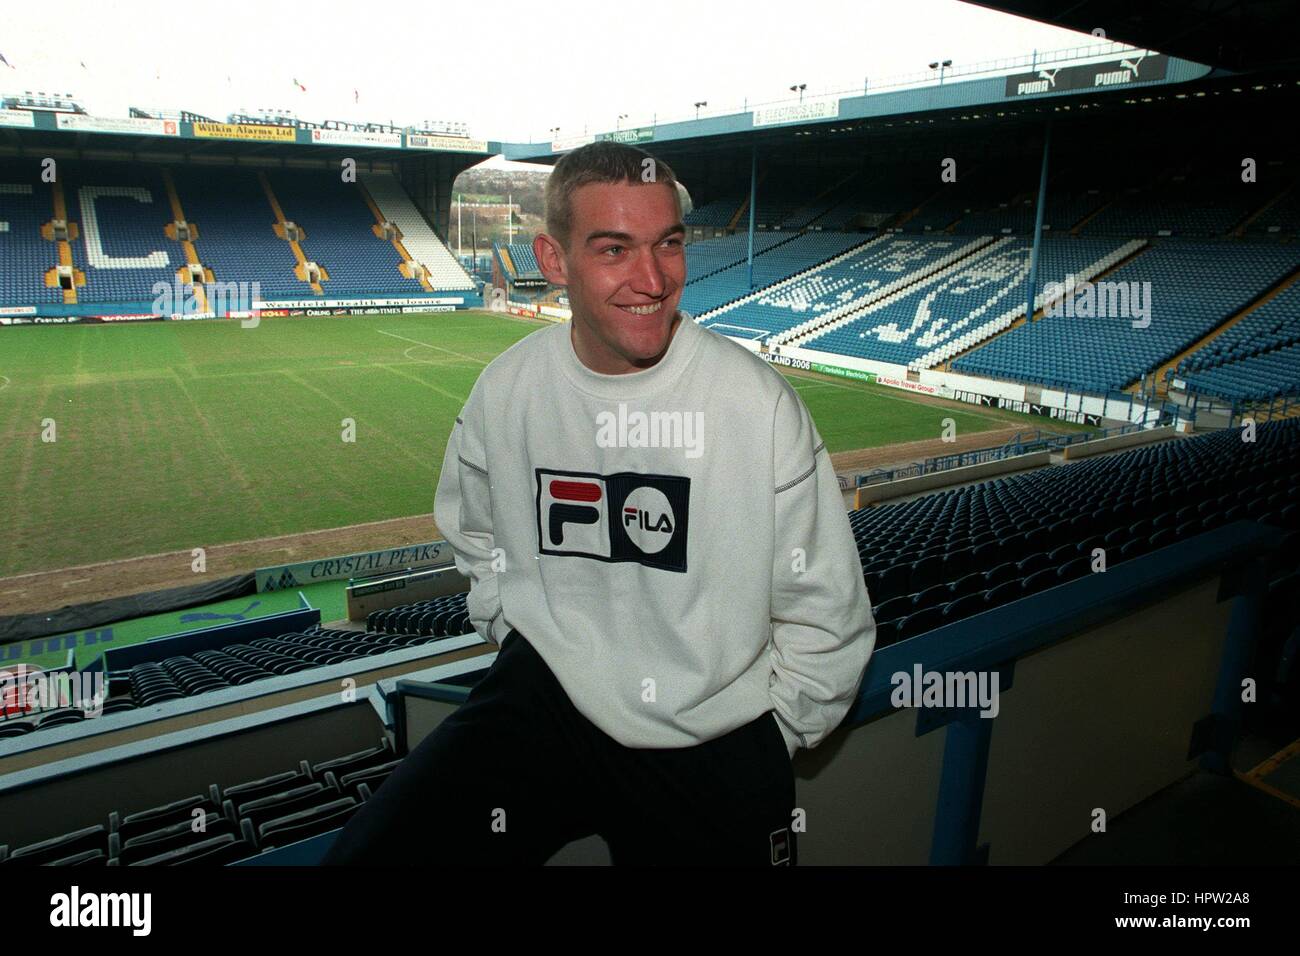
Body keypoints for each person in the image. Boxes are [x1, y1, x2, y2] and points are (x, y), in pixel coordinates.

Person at [322, 141, 875, 866]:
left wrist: (773, 738)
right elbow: (473, 525)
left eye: (668, 244)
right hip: (546, 696)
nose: (652, 278)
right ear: (554, 262)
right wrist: (505, 618)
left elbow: (826, 608)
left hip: (714, 736)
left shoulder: (753, 403)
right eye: (615, 249)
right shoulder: (509, 388)